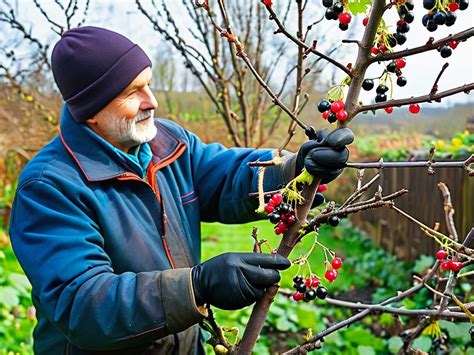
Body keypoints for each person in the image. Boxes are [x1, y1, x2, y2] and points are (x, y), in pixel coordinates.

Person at [9, 26, 354, 354]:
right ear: (91, 112)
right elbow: (83, 304)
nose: (152, 101)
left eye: (148, 84)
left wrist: (294, 169)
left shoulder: (166, 142)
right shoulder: (49, 186)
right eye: (132, 92)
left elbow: (223, 175)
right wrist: (195, 287)